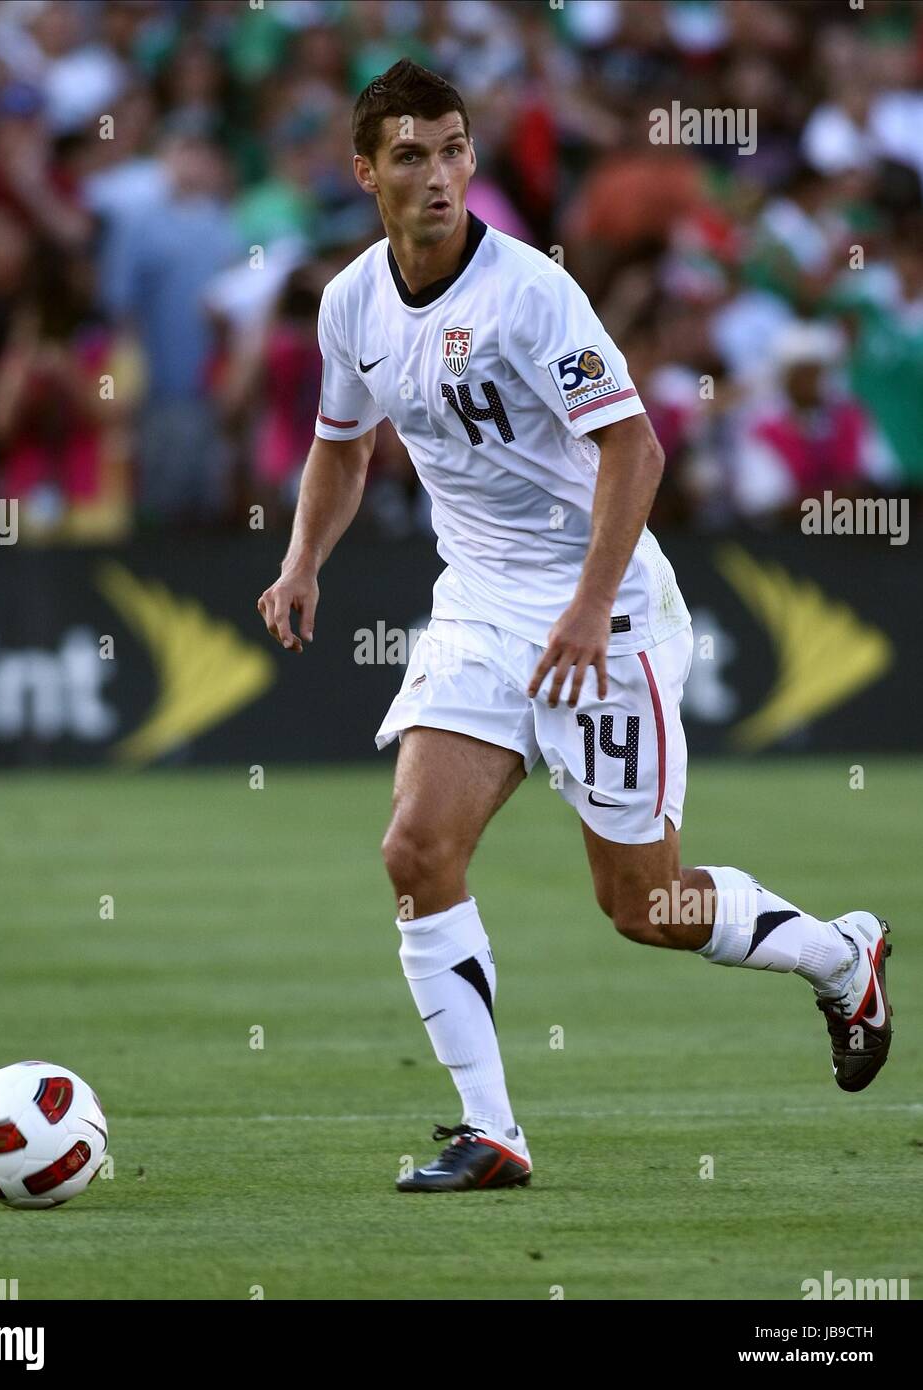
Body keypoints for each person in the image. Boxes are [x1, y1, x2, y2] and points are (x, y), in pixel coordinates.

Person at [256, 60, 893, 1194]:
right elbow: (341, 445)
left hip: (604, 611)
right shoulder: (349, 300)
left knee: (644, 906)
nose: (440, 175)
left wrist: (590, 609)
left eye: (454, 149)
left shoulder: (529, 293)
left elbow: (634, 447)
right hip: (480, 609)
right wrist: (304, 558)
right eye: (411, 155)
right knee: (415, 849)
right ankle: (489, 1130)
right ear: (365, 173)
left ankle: (839, 953)